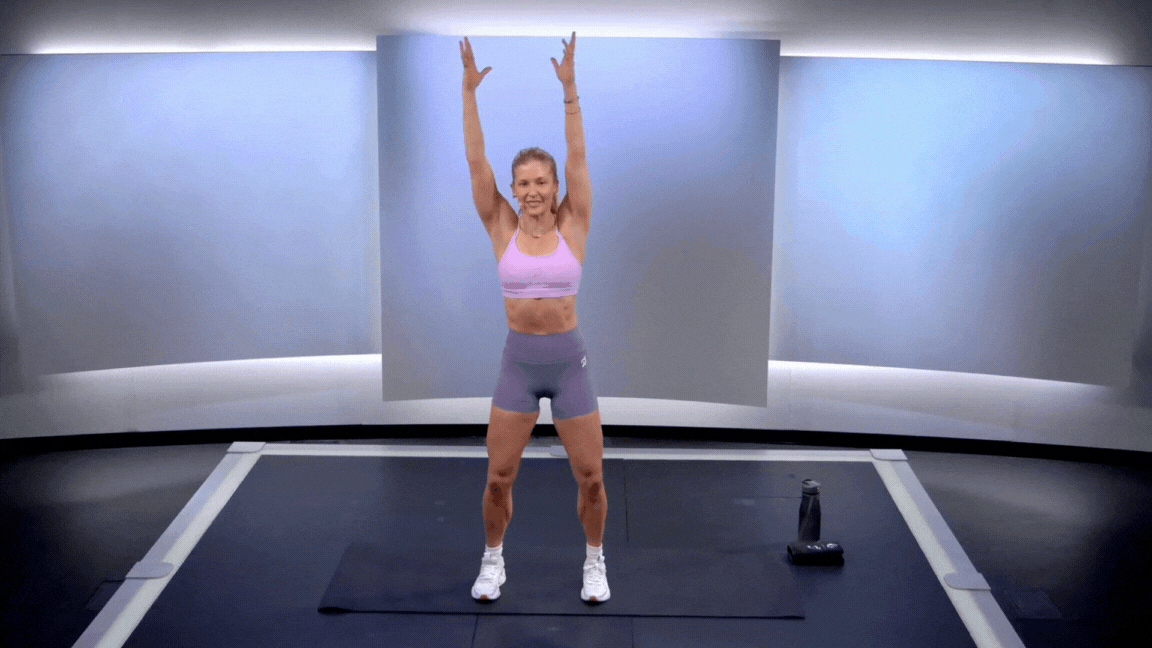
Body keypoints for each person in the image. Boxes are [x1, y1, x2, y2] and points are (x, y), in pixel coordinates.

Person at [460, 33, 608, 603]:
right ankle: (492, 560)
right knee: (498, 477)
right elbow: (476, 161)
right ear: (514, 189)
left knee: (591, 478)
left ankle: (595, 561)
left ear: (555, 186)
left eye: (541, 181)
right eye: (523, 183)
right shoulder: (501, 224)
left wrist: (570, 90)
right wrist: (469, 94)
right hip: (518, 365)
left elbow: (579, 156)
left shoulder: (575, 222)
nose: (532, 191)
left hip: (569, 364)